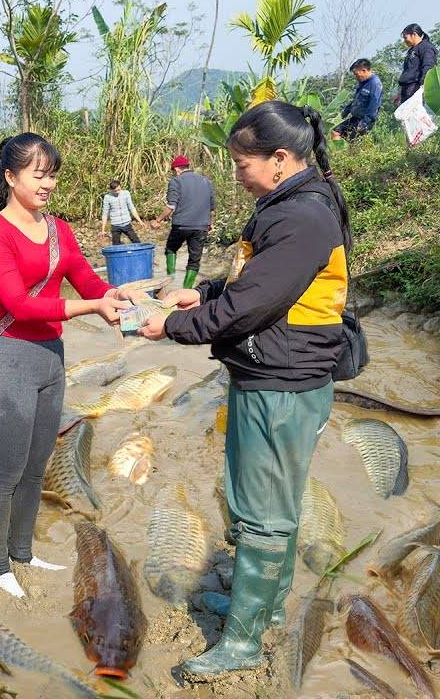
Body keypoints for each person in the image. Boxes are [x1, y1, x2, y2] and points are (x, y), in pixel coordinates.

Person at [138, 100, 350, 678]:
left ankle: (244, 643)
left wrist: (172, 325)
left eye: (241, 163)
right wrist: (200, 294)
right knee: (263, 504)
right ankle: (263, 610)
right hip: (273, 376)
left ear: (280, 159)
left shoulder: (302, 217)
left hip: (281, 385)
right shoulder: (292, 205)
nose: (236, 174)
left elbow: (253, 305)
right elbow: (250, 283)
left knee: (263, 514)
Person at [0, 133, 139, 598]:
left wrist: (108, 294)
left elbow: (82, 277)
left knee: (36, 465)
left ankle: (23, 551)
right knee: (7, 468)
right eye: (38, 175)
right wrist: (89, 310)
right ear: (11, 177)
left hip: (50, 361)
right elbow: (21, 307)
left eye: (52, 176)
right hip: (9, 364)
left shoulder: (59, 230)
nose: (47, 185)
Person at [152, 155, 215, 289]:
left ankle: (170, 278)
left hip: (181, 225)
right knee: (194, 260)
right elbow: (211, 207)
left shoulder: (176, 181)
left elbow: (171, 206)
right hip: (201, 226)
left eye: (173, 171)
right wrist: (210, 223)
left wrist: (158, 220)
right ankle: (186, 289)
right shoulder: (206, 181)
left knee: (171, 248)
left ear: (176, 169)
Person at [332, 58, 382, 141]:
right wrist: (346, 111)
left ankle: (352, 153)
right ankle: (337, 153)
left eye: (357, 74)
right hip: (355, 118)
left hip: (364, 120)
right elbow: (357, 100)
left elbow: (374, 105)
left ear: (364, 70)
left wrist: (365, 123)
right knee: (336, 132)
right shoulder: (362, 82)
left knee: (354, 142)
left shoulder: (375, 83)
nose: (356, 77)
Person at [398, 23, 437, 103]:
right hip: (407, 90)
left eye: (406, 38)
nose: (404, 41)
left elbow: (428, 67)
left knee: (416, 115)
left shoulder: (426, 47)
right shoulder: (412, 50)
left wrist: (423, 87)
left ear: (414, 34)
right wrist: (399, 93)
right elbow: (407, 72)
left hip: (416, 88)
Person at [101, 179, 144, 244]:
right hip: (115, 225)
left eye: (119, 190)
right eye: (115, 191)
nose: (118, 192)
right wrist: (103, 230)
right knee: (116, 245)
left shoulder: (126, 193)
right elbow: (105, 214)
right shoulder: (107, 197)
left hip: (126, 223)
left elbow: (132, 208)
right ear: (111, 190)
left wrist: (140, 221)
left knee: (137, 242)